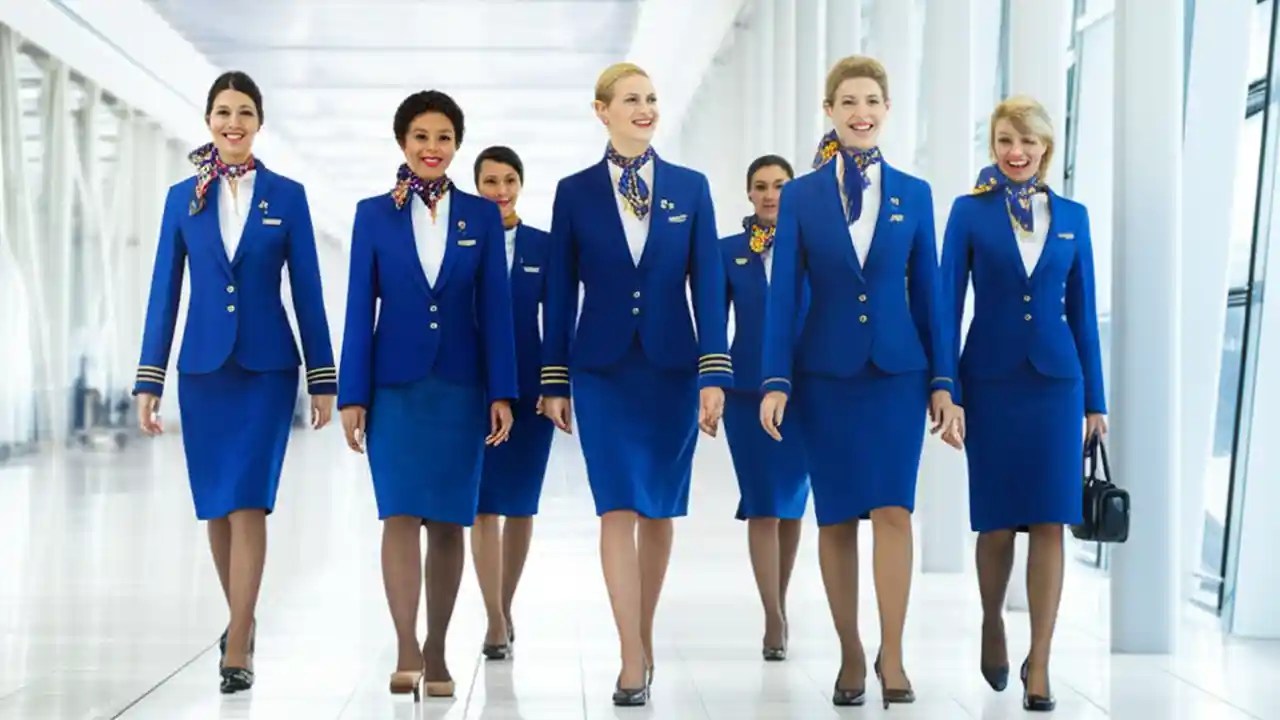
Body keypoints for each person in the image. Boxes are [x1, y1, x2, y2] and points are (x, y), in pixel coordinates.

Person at [758, 55, 961, 709]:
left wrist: (943, 380)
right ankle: (850, 649)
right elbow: (783, 294)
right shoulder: (801, 195)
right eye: (848, 101)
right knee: (838, 516)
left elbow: (930, 293)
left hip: (898, 375)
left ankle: (892, 653)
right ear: (830, 111)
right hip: (825, 376)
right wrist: (775, 379)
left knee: (895, 510)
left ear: (887, 109)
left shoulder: (915, 193)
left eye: (871, 100)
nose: (860, 112)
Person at [133, 71, 337, 694]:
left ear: (259, 122)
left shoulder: (288, 196)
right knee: (217, 506)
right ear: (208, 121)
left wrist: (323, 376)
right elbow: (164, 290)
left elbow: (308, 289)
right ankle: (239, 619)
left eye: (245, 111)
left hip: (266, 370)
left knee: (250, 499)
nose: (234, 122)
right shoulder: (182, 198)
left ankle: (240, 638)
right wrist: (149, 378)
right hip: (203, 371)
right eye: (223, 112)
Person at [539, 62, 731, 707]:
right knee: (616, 505)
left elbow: (708, 283)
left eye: (650, 98)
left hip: (672, 369)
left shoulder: (691, 187)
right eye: (630, 99)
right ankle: (628, 655)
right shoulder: (574, 192)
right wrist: (554, 376)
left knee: (658, 508)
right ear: (602, 111)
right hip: (602, 370)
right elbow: (559, 290)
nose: (645, 108)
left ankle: (643, 636)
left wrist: (713, 371)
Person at [337, 90, 517, 701]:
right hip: (394, 389)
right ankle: (405, 646)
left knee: (447, 521)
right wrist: (353, 394)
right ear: (402, 142)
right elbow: (358, 308)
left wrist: (502, 390)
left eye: (444, 137)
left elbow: (496, 310)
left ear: (457, 145)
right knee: (398, 513)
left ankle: (438, 649)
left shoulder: (481, 216)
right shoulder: (373, 215)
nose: (432, 148)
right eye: (421, 136)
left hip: (461, 389)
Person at [936, 95, 1108, 713]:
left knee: (1051, 518)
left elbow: (1084, 313)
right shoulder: (970, 212)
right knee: (997, 519)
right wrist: (947, 387)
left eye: (1028, 141)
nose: (1017, 151)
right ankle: (991, 620)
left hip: (1057, 386)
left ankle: (1041, 660)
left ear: (1046, 148)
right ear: (993, 144)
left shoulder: (1073, 217)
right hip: (990, 381)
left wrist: (1096, 400)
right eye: (1007, 140)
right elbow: (946, 304)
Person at [720, 154, 809, 662]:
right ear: (749, 193)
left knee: (791, 501)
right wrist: (710, 385)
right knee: (761, 501)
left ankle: (781, 600)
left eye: (779, 185)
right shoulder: (728, 252)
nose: (770, 194)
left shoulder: (815, 247)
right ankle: (772, 617)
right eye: (761, 186)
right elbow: (715, 323)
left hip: (804, 390)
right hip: (746, 392)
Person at [469, 145, 555, 660]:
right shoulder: (460, 241)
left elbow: (558, 320)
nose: (501, 191)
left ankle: (505, 604)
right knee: (483, 505)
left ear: (521, 184)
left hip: (530, 385)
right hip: (475, 387)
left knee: (521, 503)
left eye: (509, 181)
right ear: (476, 186)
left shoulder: (543, 246)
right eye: (490, 182)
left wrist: (555, 383)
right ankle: (494, 618)